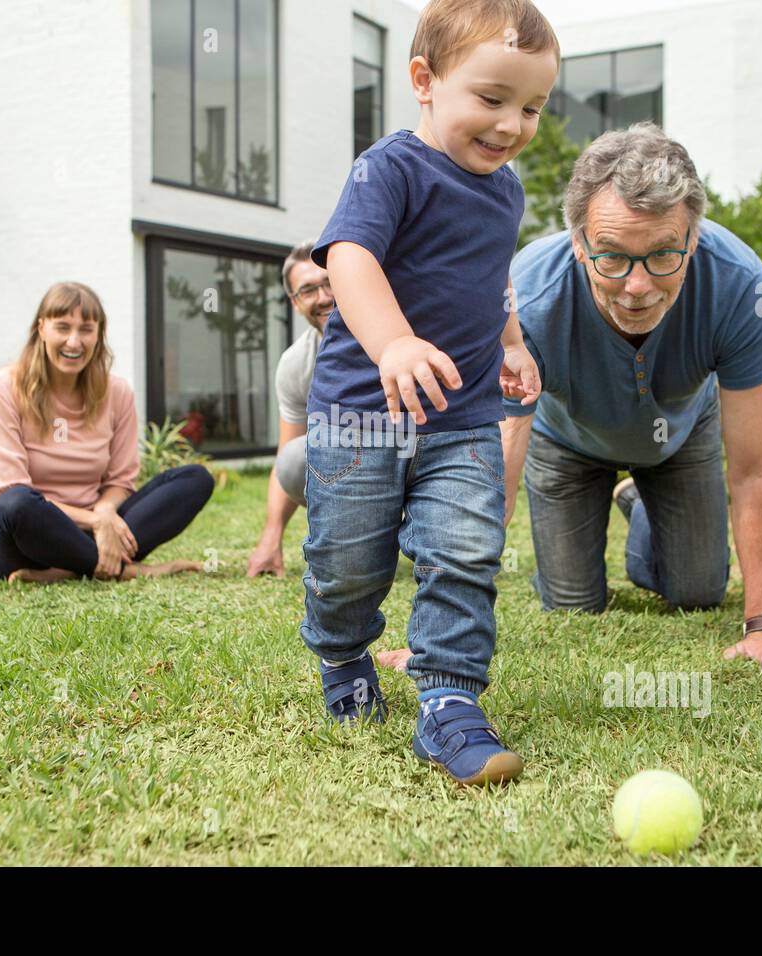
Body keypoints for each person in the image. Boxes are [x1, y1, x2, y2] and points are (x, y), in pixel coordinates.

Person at [298, 0, 559, 786]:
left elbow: (492, 278)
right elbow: (346, 258)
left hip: (465, 416)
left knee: (465, 551)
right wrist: (394, 342)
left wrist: (511, 343)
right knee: (347, 565)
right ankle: (342, 650)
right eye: (492, 98)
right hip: (360, 419)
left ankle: (448, 703)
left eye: (533, 107)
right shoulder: (390, 168)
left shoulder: (505, 190)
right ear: (425, 80)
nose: (512, 123)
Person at [497, 123, 762, 673]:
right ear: (578, 243)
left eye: (662, 255)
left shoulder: (743, 289)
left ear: (692, 238)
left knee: (696, 591)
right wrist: (440, 633)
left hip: (681, 434)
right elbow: (495, 466)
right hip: (565, 442)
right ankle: (614, 511)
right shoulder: (526, 300)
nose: (638, 286)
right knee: (572, 605)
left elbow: (756, 468)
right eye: (613, 257)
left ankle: (640, 505)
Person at [0, 281, 214, 583]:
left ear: (99, 334)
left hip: (94, 530)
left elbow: (120, 480)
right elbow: (7, 490)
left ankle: (67, 569)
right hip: (24, 542)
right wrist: (97, 522)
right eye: (62, 327)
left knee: (195, 479)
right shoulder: (2, 389)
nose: (74, 342)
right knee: (15, 504)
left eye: (86, 330)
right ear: (41, 329)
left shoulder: (117, 392)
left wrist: (103, 513)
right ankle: (124, 570)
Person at [246, 240, 331, 577]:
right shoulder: (296, 364)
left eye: (329, 282)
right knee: (296, 457)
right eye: (308, 290)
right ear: (295, 303)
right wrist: (271, 536)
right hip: (357, 471)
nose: (323, 297)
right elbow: (289, 457)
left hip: (410, 459)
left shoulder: (394, 332)